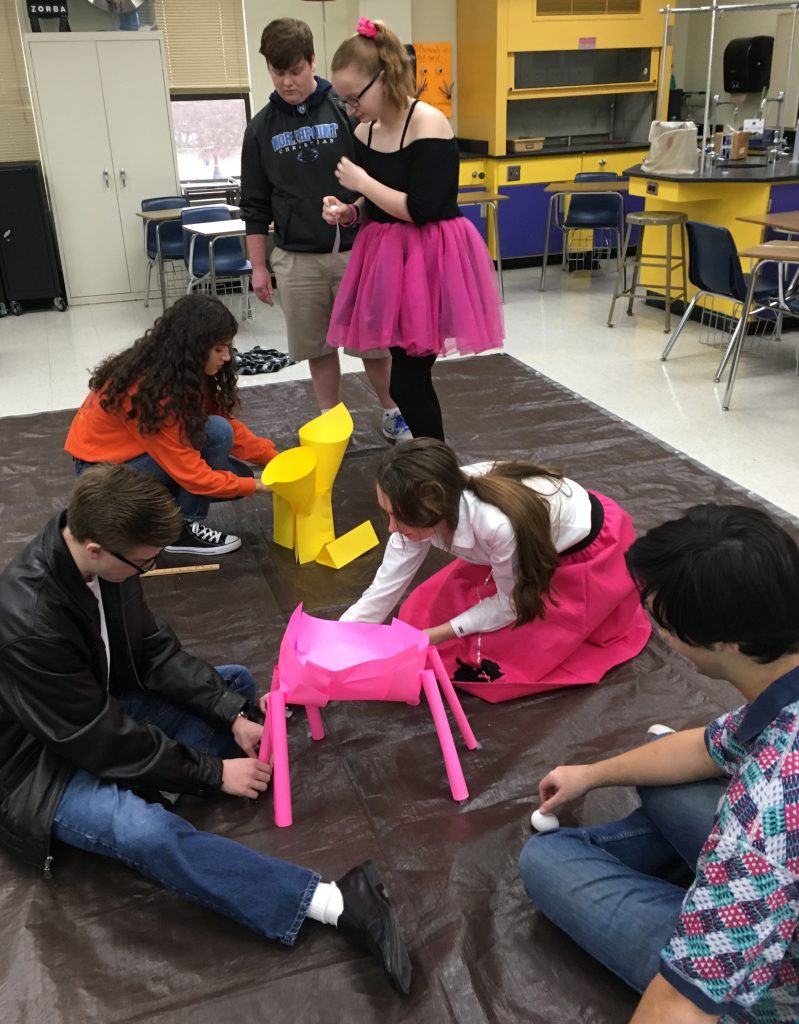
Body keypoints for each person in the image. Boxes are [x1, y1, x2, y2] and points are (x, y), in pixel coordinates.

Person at [0, 464, 412, 995]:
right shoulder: (29, 622)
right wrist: (214, 774)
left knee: (232, 687)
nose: (149, 570)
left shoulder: (106, 561)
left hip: (100, 709)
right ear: (99, 548)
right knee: (145, 833)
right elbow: (97, 736)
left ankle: (158, 777)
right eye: (146, 563)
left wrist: (231, 714)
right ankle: (334, 903)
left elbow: (151, 651)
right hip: (41, 766)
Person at [519, 503, 799, 1023]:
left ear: (723, 643)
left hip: (774, 975)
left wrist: (732, 871)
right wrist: (592, 774)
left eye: (660, 618)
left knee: (545, 860)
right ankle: (710, 877)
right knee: (667, 778)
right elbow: (708, 747)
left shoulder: (764, 808)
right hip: (767, 865)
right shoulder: (782, 701)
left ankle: (712, 886)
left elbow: (680, 1005)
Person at [341, 439, 650, 702]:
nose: (392, 528)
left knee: (494, 661)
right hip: (520, 544)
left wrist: (435, 635)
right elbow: (383, 588)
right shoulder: (434, 502)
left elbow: (509, 605)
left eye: (398, 518)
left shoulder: (497, 525)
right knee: (431, 613)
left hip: (583, 555)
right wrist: (340, 640)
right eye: (388, 515)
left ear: (432, 508)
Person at [322, 18, 504, 442]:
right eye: (343, 100)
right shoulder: (364, 129)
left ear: (382, 79)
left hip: (430, 261)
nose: (350, 109)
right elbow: (380, 199)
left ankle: (436, 467)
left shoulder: (428, 123)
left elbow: (421, 207)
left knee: (406, 381)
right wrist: (351, 212)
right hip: (389, 259)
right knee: (411, 379)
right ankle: (434, 464)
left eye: (354, 98)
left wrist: (362, 184)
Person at [240, 17, 410, 443]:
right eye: (278, 73)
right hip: (296, 257)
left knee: (375, 344)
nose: (287, 82)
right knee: (318, 346)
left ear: (312, 60)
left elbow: (381, 175)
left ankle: (392, 411)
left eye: (295, 71)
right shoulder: (259, 130)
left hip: (357, 249)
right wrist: (259, 267)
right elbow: (255, 206)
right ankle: (332, 421)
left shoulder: (347, 107)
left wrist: (357, 211)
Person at [65, 294, 275, 557]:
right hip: (102, 477)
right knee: (217, 440)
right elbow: (191, 471)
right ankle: (179, 529)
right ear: (194, 347)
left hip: (130, 460)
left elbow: (228, 425)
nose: (227, 357)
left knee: (237, 471)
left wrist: (274, 458)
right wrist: (258, 487)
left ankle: (165, 512)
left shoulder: (181, 369)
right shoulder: (148, 388)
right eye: (219, 349)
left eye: (228, 348)